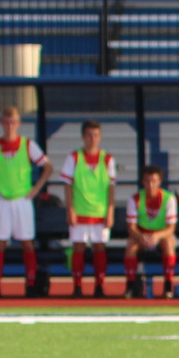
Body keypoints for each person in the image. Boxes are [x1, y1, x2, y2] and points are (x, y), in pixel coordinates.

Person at [0, 105, 52, 299]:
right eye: (6, 122)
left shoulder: (27, 145)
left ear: (19, 123)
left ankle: (31, 284)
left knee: (27, 243)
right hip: (1, 200)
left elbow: (48, 167)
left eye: (13, 122)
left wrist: (36, 188)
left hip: (22, 199)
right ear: (1, 123)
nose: (10, 126)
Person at [59, 120, 118, 299]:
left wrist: (110, 211)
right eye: (89, 135)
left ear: (100, 137)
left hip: (100, 211)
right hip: (80, 211)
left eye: (96, 135)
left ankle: (99, 286)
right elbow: (67, 185)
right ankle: (77, 286)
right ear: (83, 137)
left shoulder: (107, 159)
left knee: (100, 248)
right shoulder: (74, 158)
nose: (92, 139)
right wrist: (70, 209)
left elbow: (111, 188)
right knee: (78, 248)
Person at [124, 165, 179, 299]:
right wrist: (140, 236)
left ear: (159, 182)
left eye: (153, 181)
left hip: (161, 235)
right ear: (142, 182)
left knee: (169, 243)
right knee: (131, 245)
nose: (150, 185)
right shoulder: (135, 199)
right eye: (147, 181)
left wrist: (156, 236)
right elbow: (131, 228)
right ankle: (130, 287)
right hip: (141, 235)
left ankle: (168, 287)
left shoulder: (169, 199)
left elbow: (171, 229)